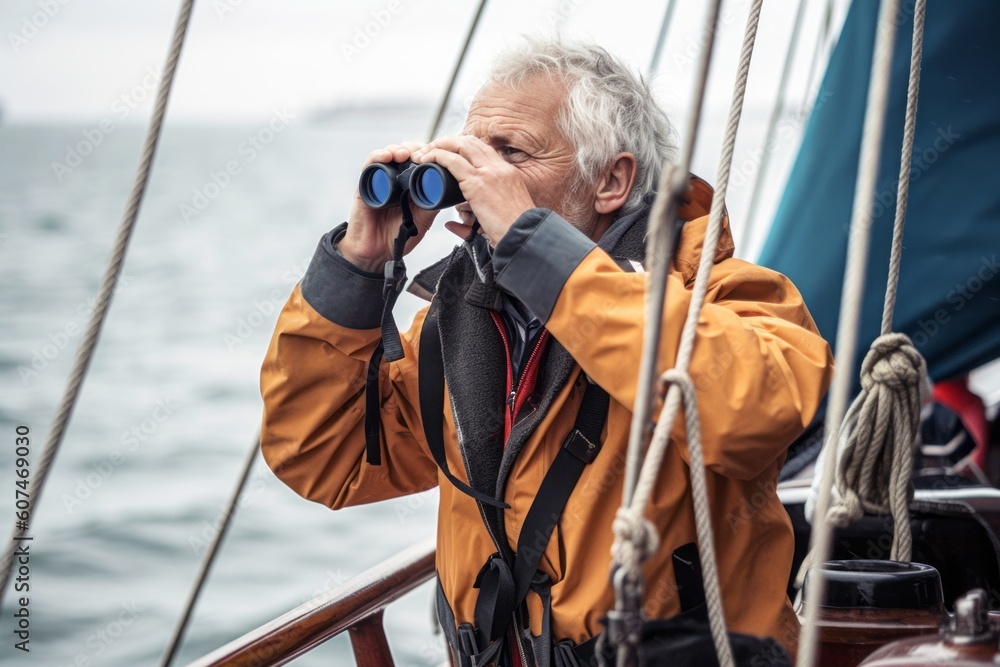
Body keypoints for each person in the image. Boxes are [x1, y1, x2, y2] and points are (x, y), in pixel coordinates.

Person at [260, 37, 834, 666]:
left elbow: (759, 410)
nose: (480, 178)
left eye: (510, 154)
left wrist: (542, 257)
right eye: (474, 152)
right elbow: (324, 456)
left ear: (611, 181)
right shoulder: (454, 330)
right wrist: (358, 265)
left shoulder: (727, 297)